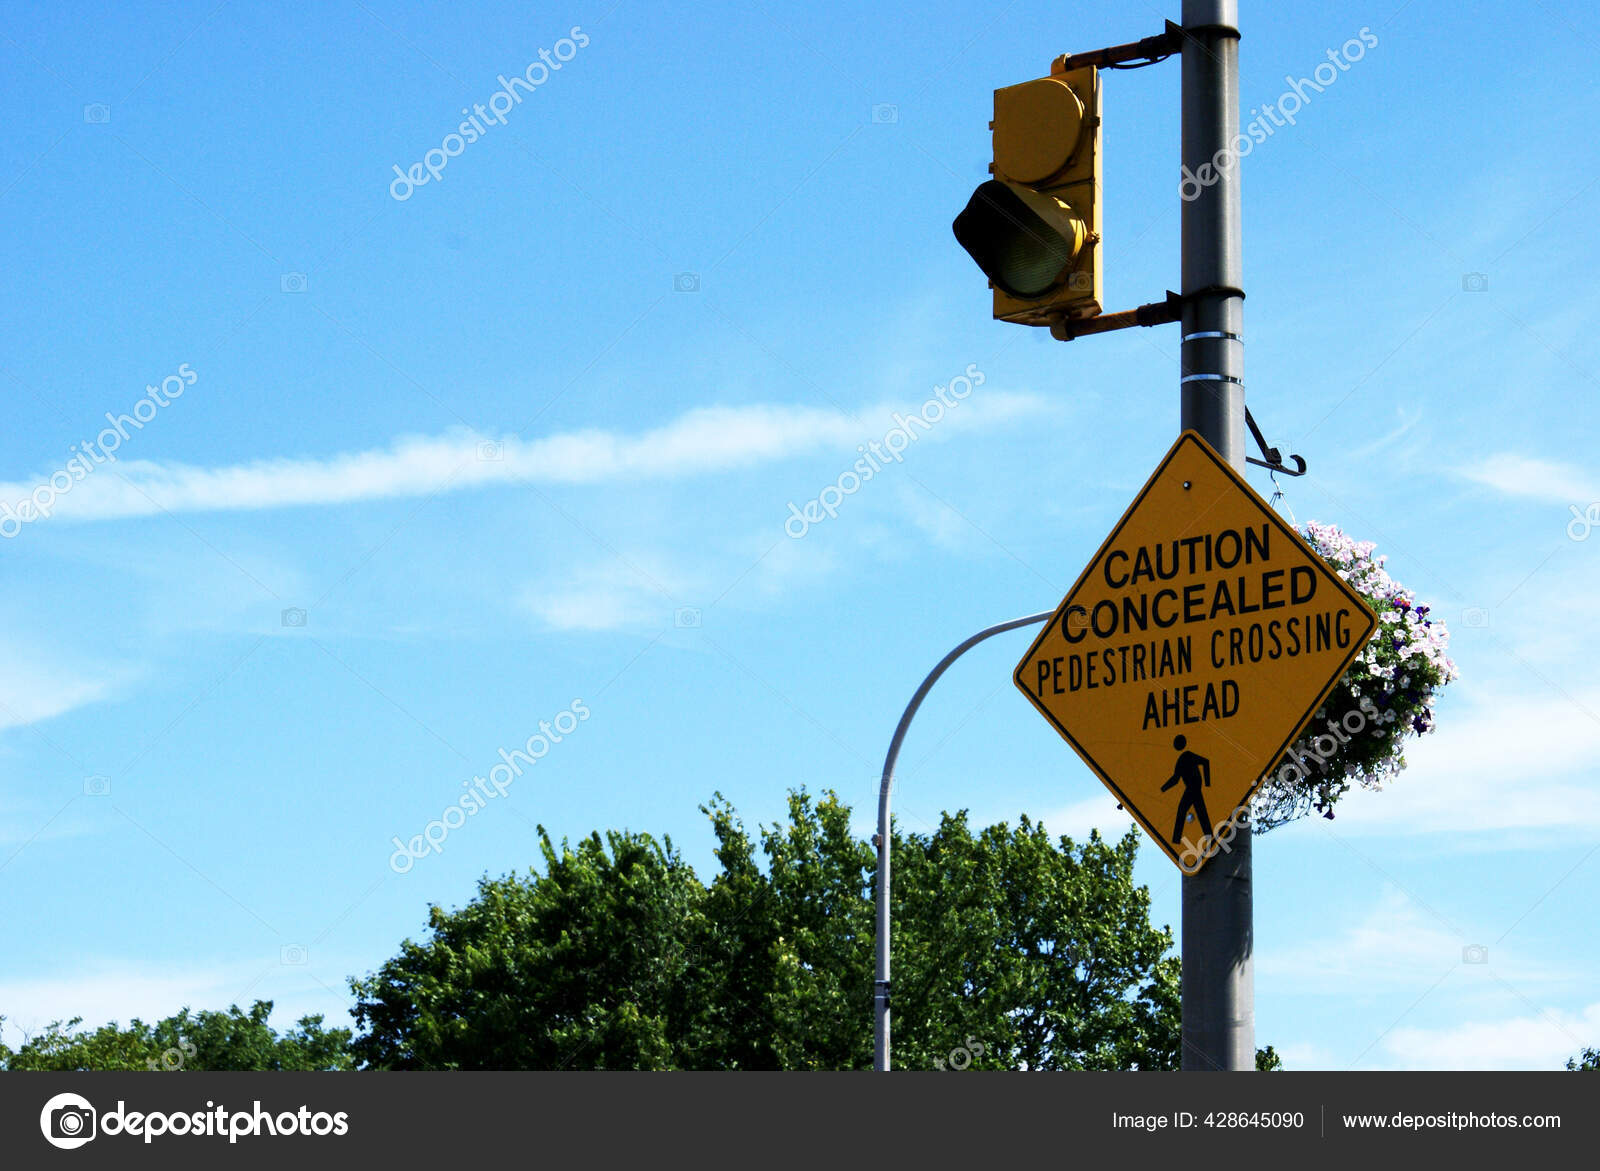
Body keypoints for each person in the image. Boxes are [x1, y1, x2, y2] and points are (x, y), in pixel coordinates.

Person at [1159, 734, 1212, 846]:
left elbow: (1205, 762)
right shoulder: (1180, 760)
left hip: (1194, 787)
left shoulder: (1187, 756)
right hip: (1192, 788)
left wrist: (1207, 784)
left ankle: (1176, 840)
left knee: (1183, 810)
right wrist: (1162, 789)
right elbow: (1175, 779)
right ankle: (1209, 838)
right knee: (1200, 812)